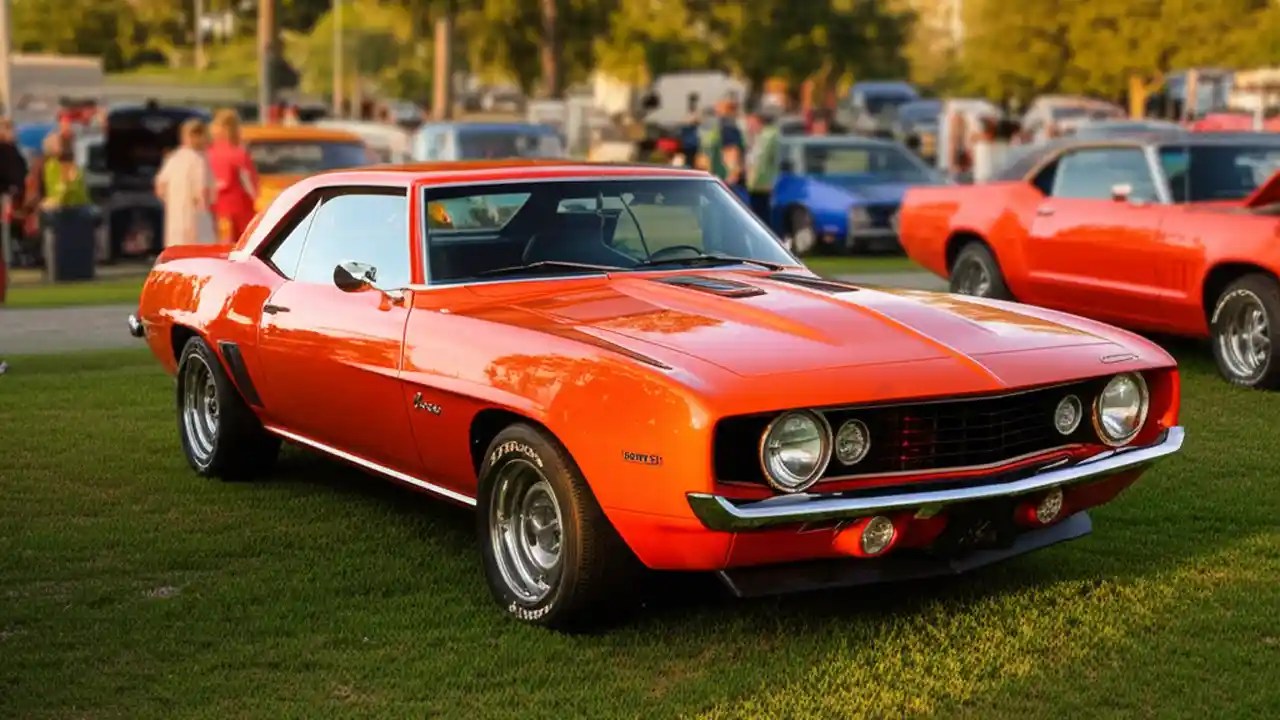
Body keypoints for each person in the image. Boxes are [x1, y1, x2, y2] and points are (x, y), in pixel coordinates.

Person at [155, 119, 217, 247]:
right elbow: (203, 191)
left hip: (175, 218)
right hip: (197, 219)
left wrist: (171, 201)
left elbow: (160, 187)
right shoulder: (200, 160)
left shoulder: (174, 158)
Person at [206, 108, 259, 243]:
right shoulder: (238, 153)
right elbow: (249, 185)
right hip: (239, 207)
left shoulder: (208, 152)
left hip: (214, 208)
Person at [698, 97, 748, 201]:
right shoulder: (728, 126)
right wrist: (733, 175)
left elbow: (703, 155)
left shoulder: (709, 129)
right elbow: (731, 150)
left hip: (711, 176)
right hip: (725, 177)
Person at [745, 110, 780, 222]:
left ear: (759, 123)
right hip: (753, 186)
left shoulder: (767, 139)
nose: (749, 126)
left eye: (751, 123)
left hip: (764, 186)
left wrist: (773, 181)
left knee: (763, 216)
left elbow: (773, 161)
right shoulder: (754, 139)